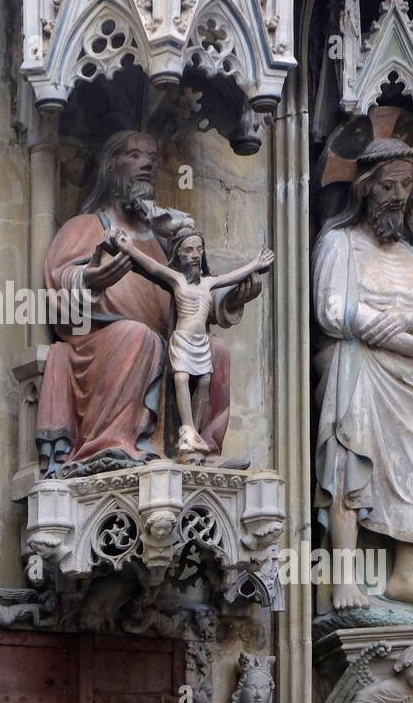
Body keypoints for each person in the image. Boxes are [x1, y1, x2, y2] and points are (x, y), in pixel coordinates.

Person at [36, 131, 263, 475]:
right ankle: (112, 443)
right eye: (135, 155)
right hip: (102, 349)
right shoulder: (85, 227)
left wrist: (230, 297)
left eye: (152, 158)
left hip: (164, 347)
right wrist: (90, 279)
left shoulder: (163, 239)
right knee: (137, 337)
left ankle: (201, 447)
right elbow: (58, 279)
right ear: (111, 166)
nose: (147, 164)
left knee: (215, 351)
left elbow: (191, 291)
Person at [312, 137, 413, 615]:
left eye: (406, 185)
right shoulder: (340, 243)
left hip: (404, 381)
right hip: (358, 366)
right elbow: (331, 310)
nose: (398, 195)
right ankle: (342, 576)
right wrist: (395, 330)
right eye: (388, 185)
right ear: (365, 189)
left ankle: (405, 575)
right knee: (349, 462)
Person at [108, 226, 273, 455]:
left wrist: (255, 264)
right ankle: (186, 431)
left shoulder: (207, 283)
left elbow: (231, 277)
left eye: (199, 249)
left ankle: (194, 430)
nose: (195, 255)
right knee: (182, 378)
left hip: (201, 342)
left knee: (204, 382)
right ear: (179, 255)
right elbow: (153, 267)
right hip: (183, 339)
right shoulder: (177, 280)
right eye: (188, 250)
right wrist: (128, 248)